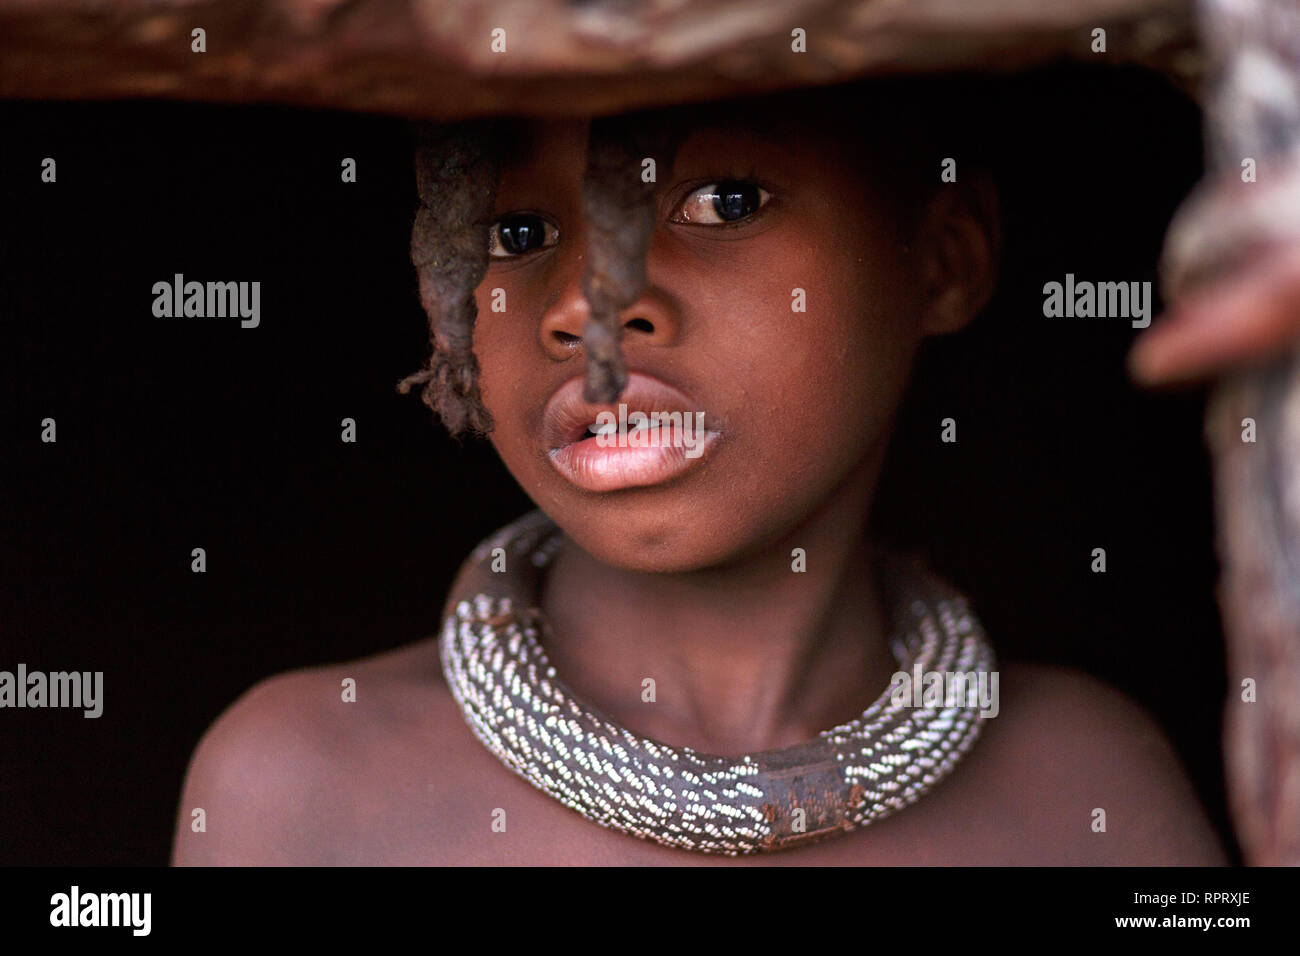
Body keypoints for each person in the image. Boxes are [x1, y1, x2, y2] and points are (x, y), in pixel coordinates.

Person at [171, 82, 1228, 865]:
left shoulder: (1089, 786)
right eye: (518, 230)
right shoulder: (297, 787)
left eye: (724, 201)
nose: (587, 303)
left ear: (944, 258)